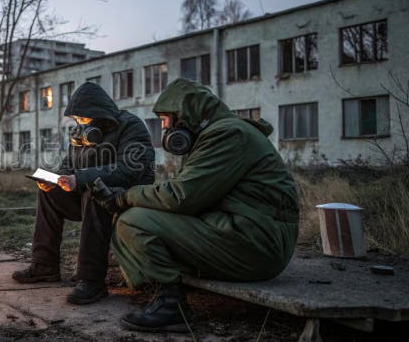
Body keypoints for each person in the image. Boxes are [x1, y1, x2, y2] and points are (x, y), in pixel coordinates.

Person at [93, 79, 299, 333]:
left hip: (258, 242)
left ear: (187, 115)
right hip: (251, 234)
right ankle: (165, 286)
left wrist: (125, 196)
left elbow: (181, 197)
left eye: (166, 119)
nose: (164, 127)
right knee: (138, 215)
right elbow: (188, 195)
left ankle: (172, 306)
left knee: (132, 221)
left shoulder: (227, 135)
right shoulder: (218, 135)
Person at [11, 82, 155, 305]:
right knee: (49, 194)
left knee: (94, 192)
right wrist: (58, 179)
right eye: (76, 118)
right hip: (88, 194)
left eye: (83, 118)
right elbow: (69, 164)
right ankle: (44, 266)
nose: (79, 123)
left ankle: (91, 281)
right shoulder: (81, 132)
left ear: (98, 113)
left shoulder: (131, 126)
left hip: (125, 197)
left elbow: (130, 169)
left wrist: (82, 179)